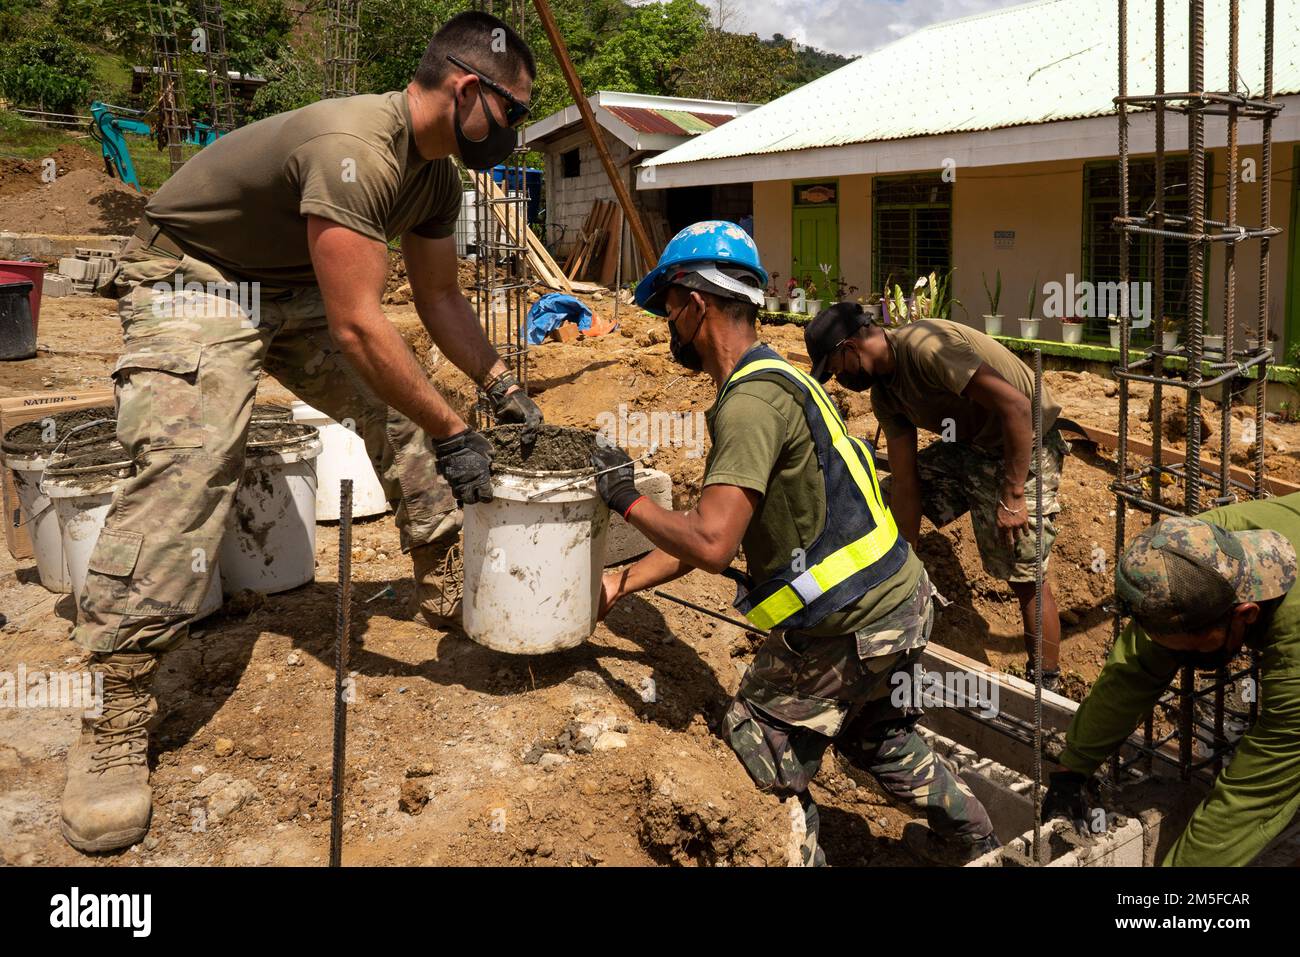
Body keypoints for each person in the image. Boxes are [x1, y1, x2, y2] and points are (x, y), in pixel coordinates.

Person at [60, 11, 543, 854]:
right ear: (469, 90)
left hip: (292, 287)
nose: (516, 131)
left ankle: (442, 570)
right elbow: (357, 324)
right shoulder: (354, 148)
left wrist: (498, 385)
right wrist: (454, 429)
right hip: (195, 276)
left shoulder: (437, 179)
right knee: (192, 462)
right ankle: (115, 704)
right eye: (514, 112)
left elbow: (439, 299)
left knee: (404, 407)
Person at [593, 221, 999, 865]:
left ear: (695, 304)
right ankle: (976, 841)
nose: (668, 325)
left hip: (854, 623)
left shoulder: (749, 405)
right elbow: (721, 523)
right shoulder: (780, 379)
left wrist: (625, 497)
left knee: (756, 745)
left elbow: (711, 542)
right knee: (876, 735)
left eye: (669, 308)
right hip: (900, 602)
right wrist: (622, 581)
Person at [804, 305, 1068, 689]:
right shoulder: (886, 396)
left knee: (1023, 567)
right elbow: (906, 484)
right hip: (970, 447)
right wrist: (902, 570)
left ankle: (1046, 684)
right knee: (879, 500)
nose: (840, 380)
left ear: (850, 347)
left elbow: (1018, 407)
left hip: (1025, 442)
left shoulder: (926, 347)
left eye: (836, 369)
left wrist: (1012, 495)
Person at [1044, 496, 1300, 866]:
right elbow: (1134, 669)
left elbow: (1254, 796)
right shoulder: (1188, 557)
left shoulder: (1294, 650)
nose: (1184, 660)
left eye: (1191, 649)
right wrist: (1072, 769)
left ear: (1245, 614)